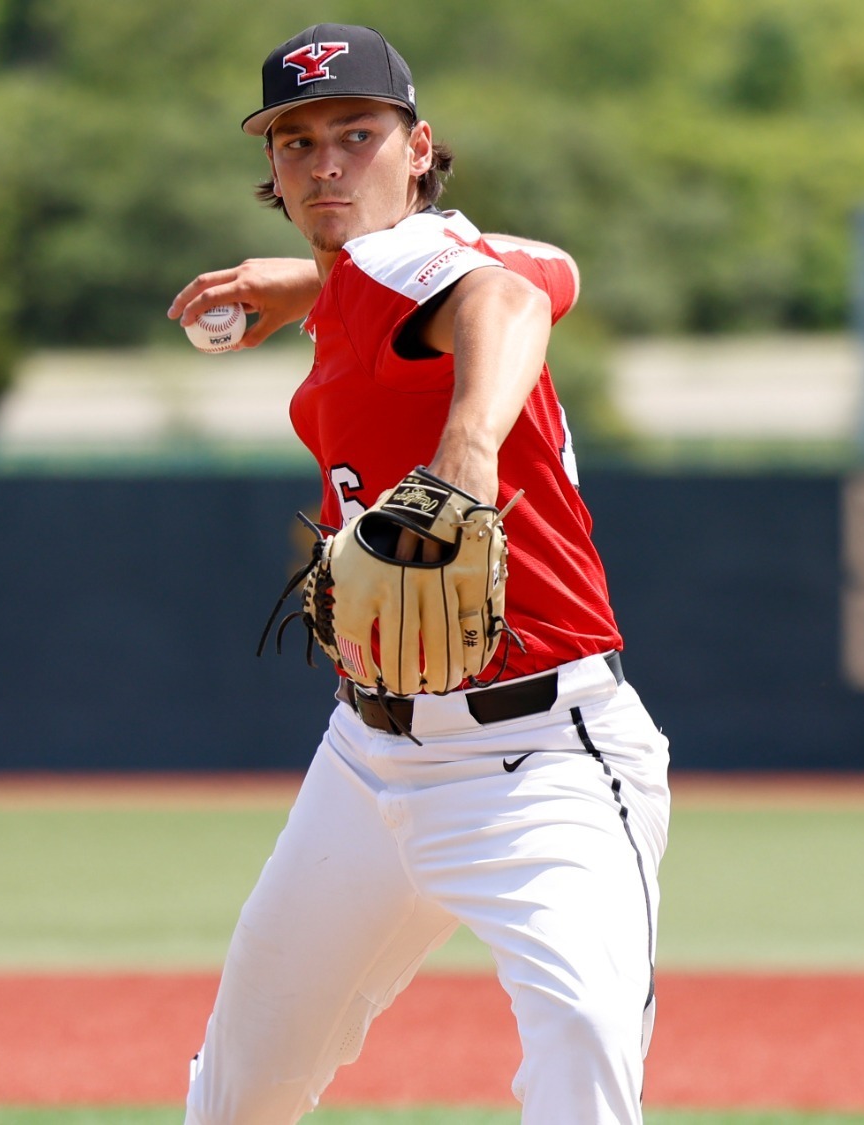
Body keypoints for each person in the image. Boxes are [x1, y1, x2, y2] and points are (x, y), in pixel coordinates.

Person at [167, 23, 671, 1125]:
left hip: (540, 759)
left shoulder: (407, 263)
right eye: (297, 143)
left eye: (358, 134)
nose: (327, 163)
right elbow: (554, 271)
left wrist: (469, 448)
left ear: (419, 147)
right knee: (241, 1088)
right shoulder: (373, 278)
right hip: (368, 759)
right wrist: (310, 286)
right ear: (272, 171)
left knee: (582, 1035)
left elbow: (509, 302)